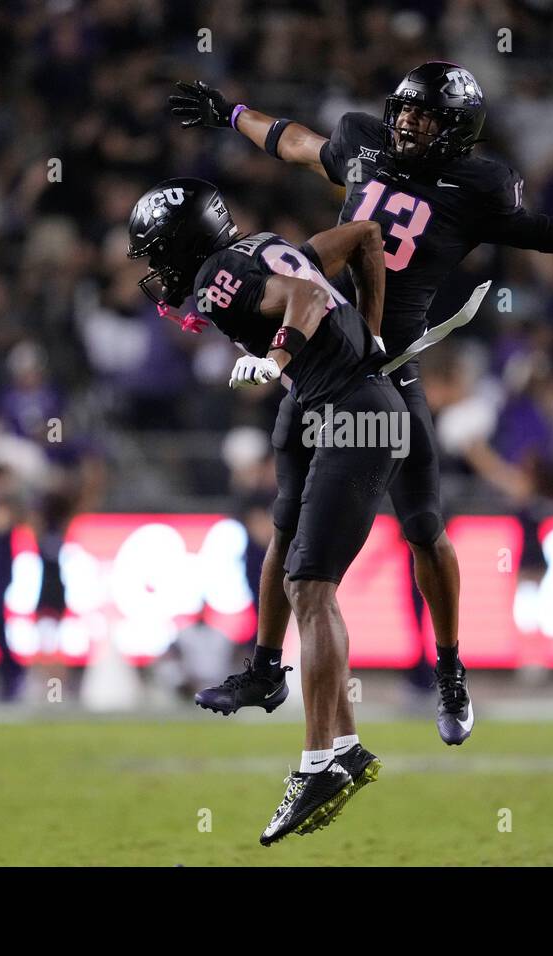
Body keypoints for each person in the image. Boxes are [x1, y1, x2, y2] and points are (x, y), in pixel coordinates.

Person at [171, 62, 553, 744]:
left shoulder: (476, 188)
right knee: (284, 524)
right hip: (320, 365)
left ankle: (448, 669)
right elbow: (293, 142)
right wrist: (230, 113)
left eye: (423, 114)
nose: (406, 122)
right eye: (402, 109)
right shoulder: (362, 143)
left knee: (423, 525)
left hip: (387, 372)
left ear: (456, 129)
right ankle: (264, 665)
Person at [127, 177, 397, 845]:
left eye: (158, 253)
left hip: (350, 414)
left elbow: (304, 294)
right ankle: (271, 673)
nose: (156, 270)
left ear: (185, 245)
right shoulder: (263, 248)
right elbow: (366, 237)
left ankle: (318, 763)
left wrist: (278, 357)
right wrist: (372, 331)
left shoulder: (221, 273)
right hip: (323, 405)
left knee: (311, 585)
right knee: (281, 537)